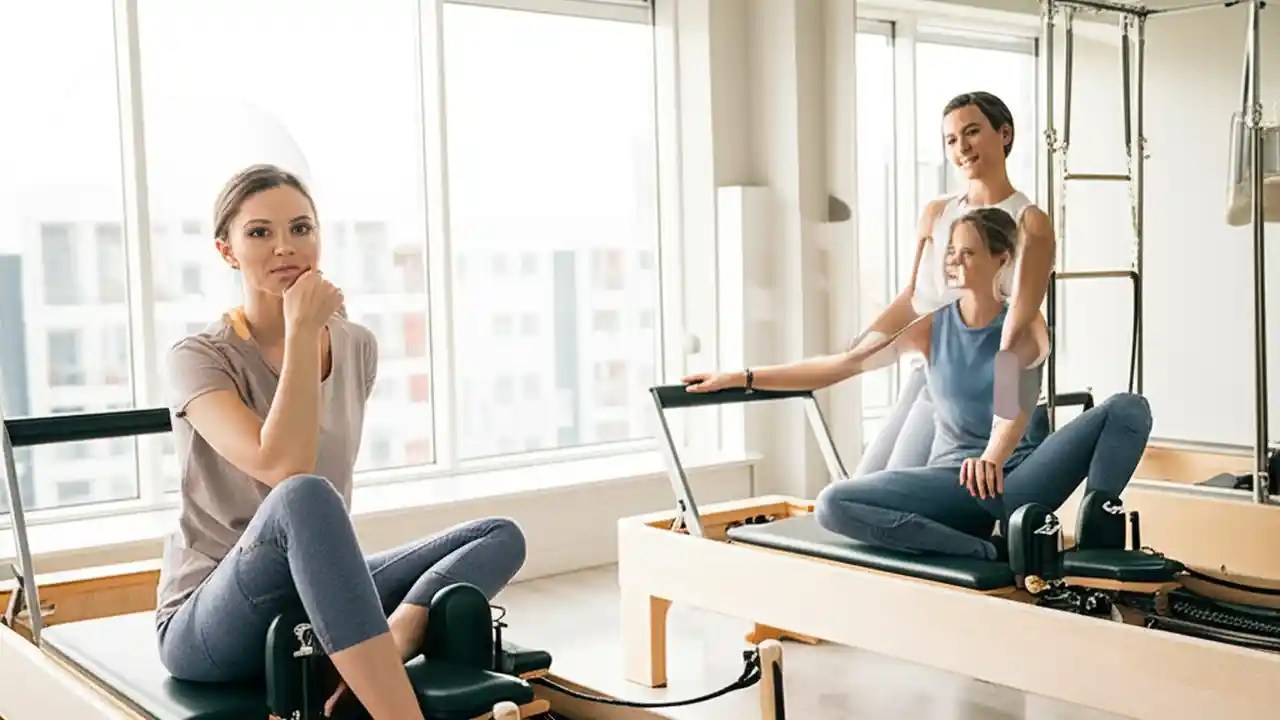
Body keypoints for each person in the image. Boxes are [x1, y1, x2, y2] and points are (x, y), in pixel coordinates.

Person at [154, 164, 527, 719]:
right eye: (259, 233)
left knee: (499, 535)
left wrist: (400, 620)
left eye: (301, 229)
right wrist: (302, 329)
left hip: (308, 601)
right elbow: (283, 466)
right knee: (305, 495)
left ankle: (396, 637)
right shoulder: (200, 357)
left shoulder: (356, 346)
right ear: (227, 251)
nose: (285, 247)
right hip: (211, 616)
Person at [683, 207, 1153, 561]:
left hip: (1019, 479)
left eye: (967, 252)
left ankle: (1099, 530)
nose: (953, 260)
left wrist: (993, 454)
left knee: (1128, 407)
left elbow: (1013, 387)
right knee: (834, 503)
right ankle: (983, 552)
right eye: (950, 250)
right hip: (953, 484)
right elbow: (842, 366)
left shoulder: (1024, 325)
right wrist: (744, 377)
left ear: (1000, 259)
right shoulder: (931, 327)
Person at [851, 91, 1057, 472]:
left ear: (1005, 133)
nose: (961, 147)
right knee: (864, 480)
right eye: (950, 139)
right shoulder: (937, 212)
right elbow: (913, 299)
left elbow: (1019, 323)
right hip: (937, 372)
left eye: (972, 132)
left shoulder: (1030, 222)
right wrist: (859, 349)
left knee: (898, 487)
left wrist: (1006, 421)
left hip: (986, 387)